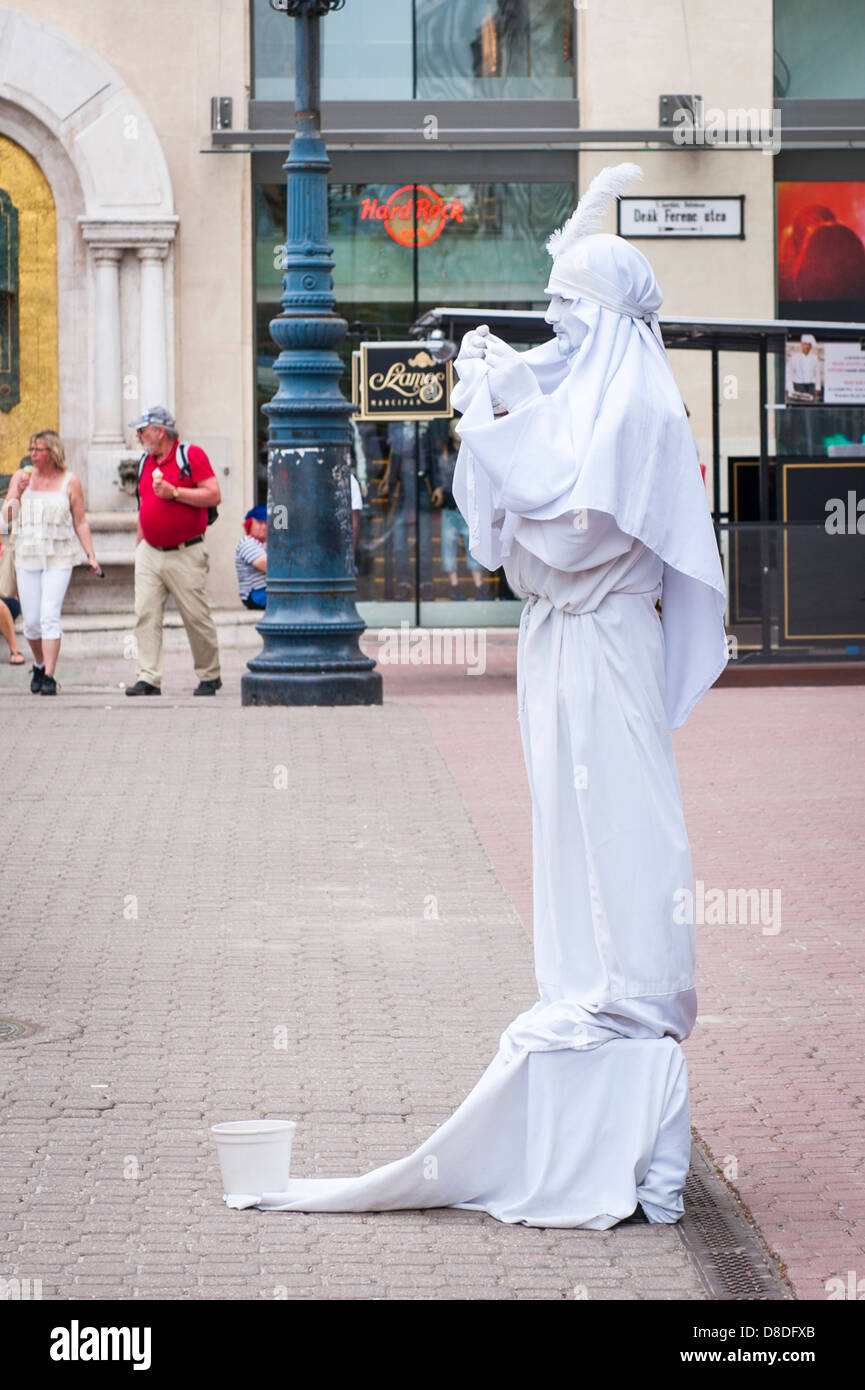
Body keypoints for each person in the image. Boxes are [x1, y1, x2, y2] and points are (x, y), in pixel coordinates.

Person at [223, 165, 728, 1228]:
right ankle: (587, 981)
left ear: (600, 313)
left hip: (600, 646)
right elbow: (523, 528)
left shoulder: (632, 407)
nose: (550, 326)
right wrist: (506, 410)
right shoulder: (593, 396)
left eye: (563, 310)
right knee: (567, 820)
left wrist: (496, 419)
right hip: (562, 644)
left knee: (622, 822)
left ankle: (625, 989)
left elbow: (568, 531)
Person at [125, 406, 223, 696]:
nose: (138, 435)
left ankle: (209, 675)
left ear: (159, 431)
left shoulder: (190, 455)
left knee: (196, 617)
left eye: (142, 430)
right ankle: (148, 678)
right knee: (145, 615)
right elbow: (144, 506)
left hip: (186, 551)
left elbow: (213, 494)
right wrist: (139, 545)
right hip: (150, 551)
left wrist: (175, 493)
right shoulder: (144, 462)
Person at [1, 431, 102, 695]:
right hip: (27, 554)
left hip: (59, 555)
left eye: (39, 449)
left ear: (53, 453)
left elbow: (80, 520)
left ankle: (49, 676)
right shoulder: (21, 478)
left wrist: (90, 554)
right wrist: (17, 493)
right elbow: (7, 519)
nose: (33, 454)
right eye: (31, 448)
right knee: (33, 621)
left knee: (49, 615)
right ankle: (39, 663)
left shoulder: (70, 481)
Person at [429, 417, 484, 599]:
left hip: (468, 509)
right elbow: (443, 480)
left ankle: (479, 587)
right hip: (451, 508)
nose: (457, 431)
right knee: (448, 548)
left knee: (474, 546)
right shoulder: (445, 454)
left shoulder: (473, 452)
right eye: (454, 428)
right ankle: (455, 587)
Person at [236, 505, 267, 610]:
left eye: (267, 523)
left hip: (266, 591)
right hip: (255, 594)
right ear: (250, 524)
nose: (264, 527)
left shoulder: (266, 544)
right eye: (259, 523)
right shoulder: (247, 542)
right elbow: (269, 566)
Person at [785, 334, 822, 400]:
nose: (807, 347)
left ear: (811, 346)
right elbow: (789, 373)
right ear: (801, 345)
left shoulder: (814, 358)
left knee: (810, 407)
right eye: (805, 344)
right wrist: (790, 388)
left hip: (811, 386)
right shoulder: (794, 357)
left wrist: (818, 387)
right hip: (798, 386)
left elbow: (817, 373)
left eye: (809, 345)